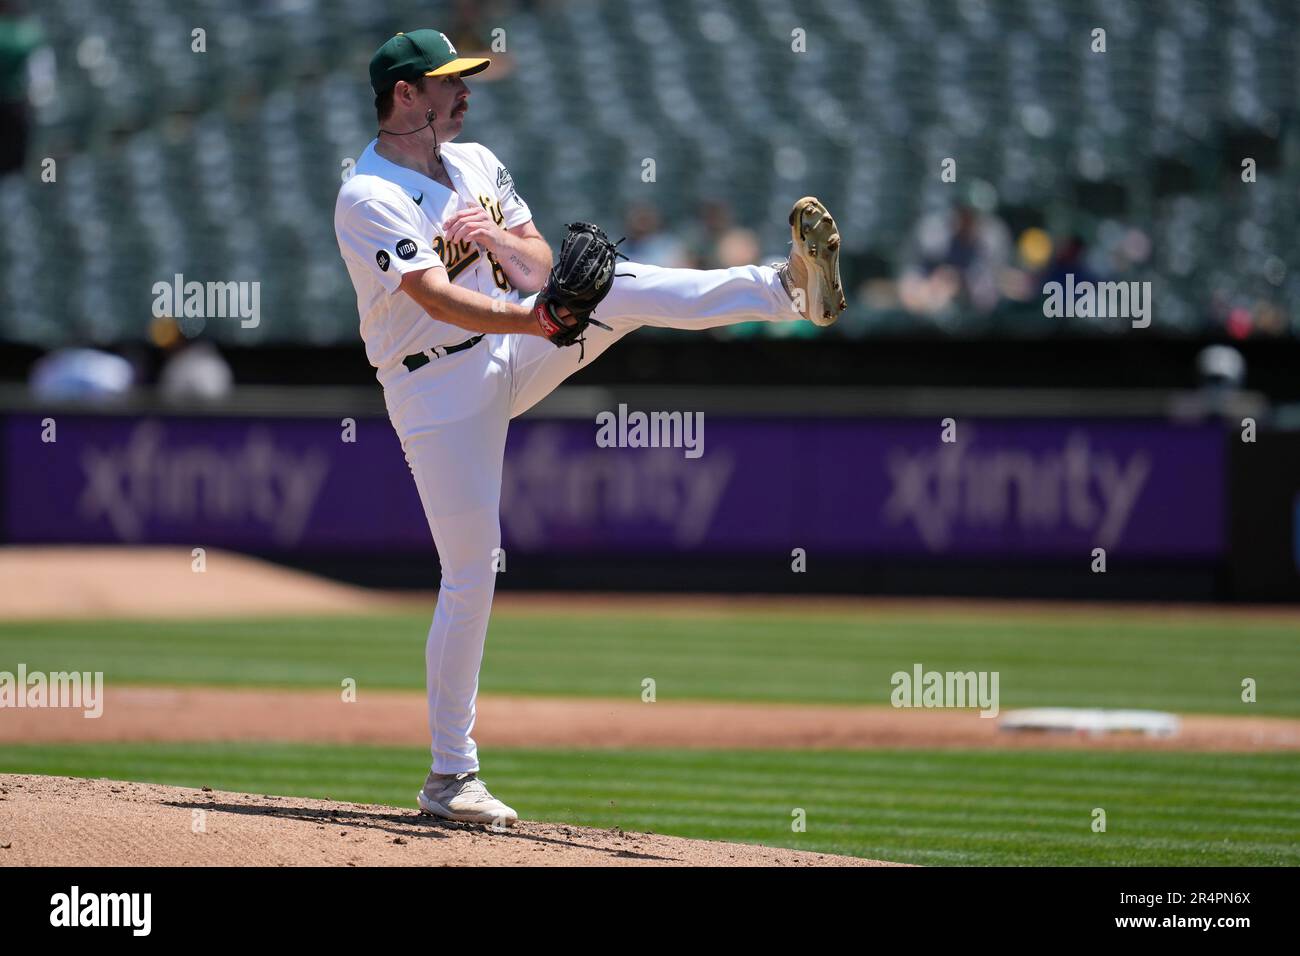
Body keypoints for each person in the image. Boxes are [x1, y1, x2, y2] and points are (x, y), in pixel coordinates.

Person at [333, 29, 846, 826]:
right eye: (448, 82)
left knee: (617, 288)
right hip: (436, 390)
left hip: (512, 342)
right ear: (406, 95)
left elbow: (543, 265)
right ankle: (448, 777)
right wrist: (529, 321)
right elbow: (434, 297)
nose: (466, 91)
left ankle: (785, 292)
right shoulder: (368, 194)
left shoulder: (475, 162)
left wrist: (503, 247)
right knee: (471, 573)